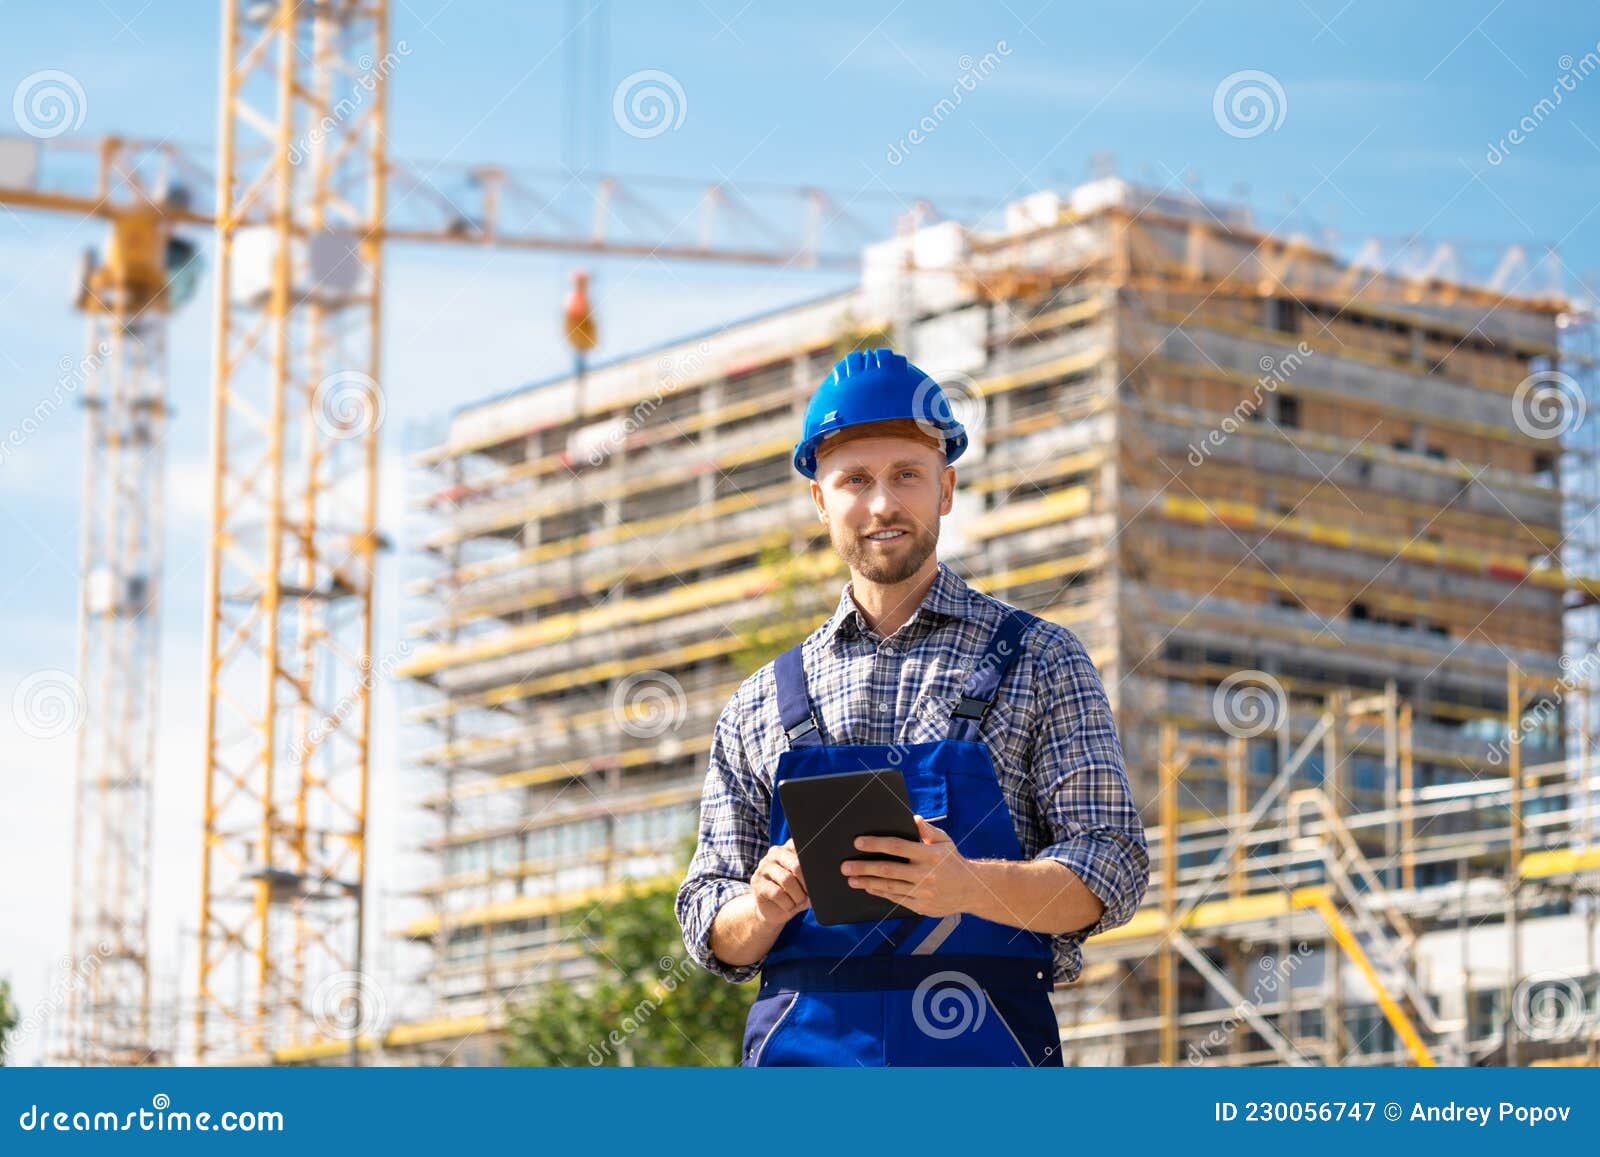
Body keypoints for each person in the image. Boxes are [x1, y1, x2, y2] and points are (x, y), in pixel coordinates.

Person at [675, 347, 1149, 1066]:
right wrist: (762, 905)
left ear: (947, 488)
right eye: (855, 480)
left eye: (907, 475)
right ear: (819, 499)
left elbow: (1110, 867)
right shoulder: (760, 703)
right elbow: (709, 918)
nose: (883, 503)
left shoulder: (1043, 660)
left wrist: (968, 884)